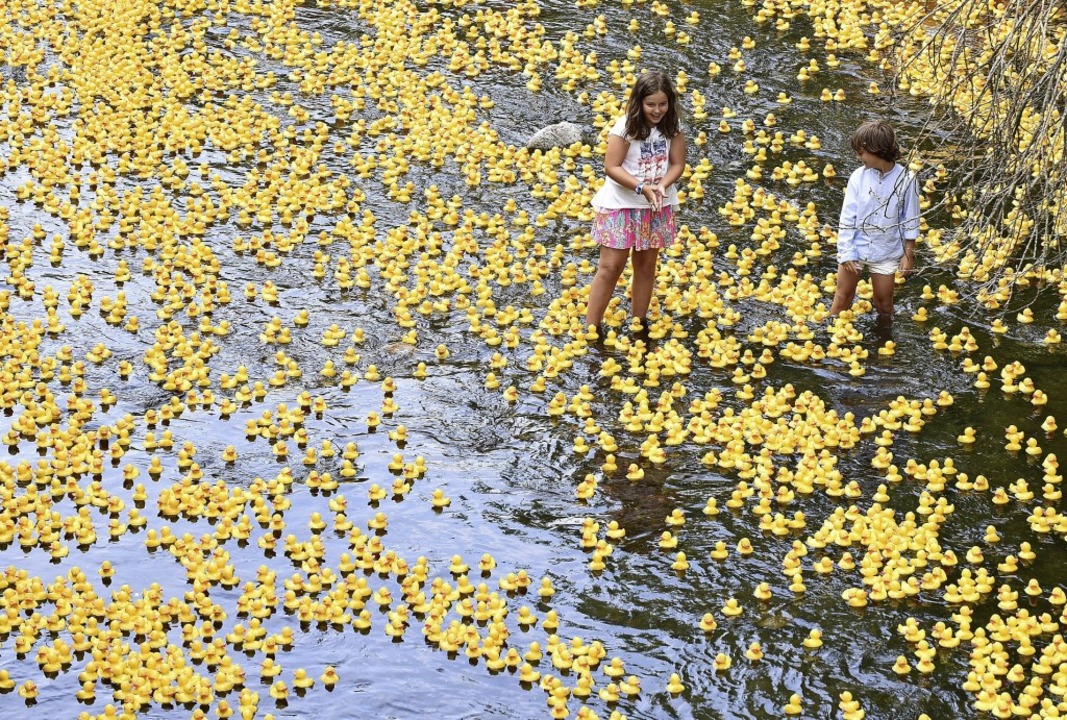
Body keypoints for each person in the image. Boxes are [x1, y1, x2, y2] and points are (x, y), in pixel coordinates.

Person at [585, 70, 687, 333]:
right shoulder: (625, 127)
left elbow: (678, 164)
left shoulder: (672, 126)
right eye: (650, 104)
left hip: (655, 205)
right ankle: (591, 327)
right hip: (622, 203)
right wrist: (641, 187)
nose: (657, 110)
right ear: (639, 102)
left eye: (662, 104)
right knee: (611, 266)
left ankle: (638, 323)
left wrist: (663, 185)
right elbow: (611, 166)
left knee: (646, 265)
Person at [829, 120, 920, 318]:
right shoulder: (857, 177)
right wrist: (846, 251)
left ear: (876, 150)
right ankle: (830, 339)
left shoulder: (907, 179)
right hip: (856, 247)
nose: (857, 156)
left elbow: (910, 220)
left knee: (884, 304)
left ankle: (883, 342)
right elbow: (847, 218)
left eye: (861, 152)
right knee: (842, 299)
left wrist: (908, 254)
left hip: (886, 251)